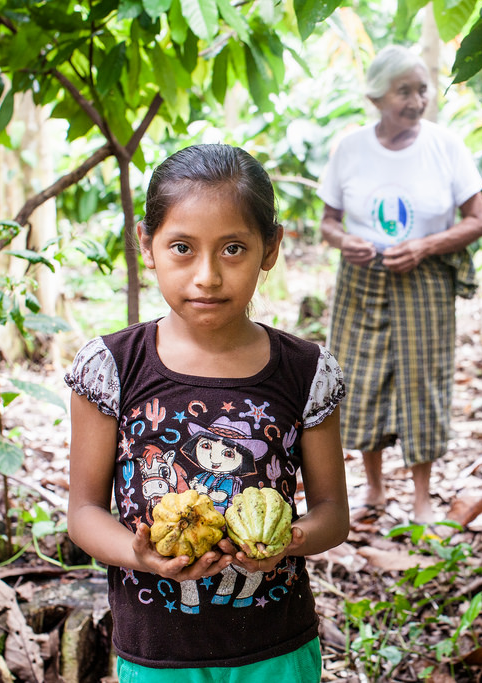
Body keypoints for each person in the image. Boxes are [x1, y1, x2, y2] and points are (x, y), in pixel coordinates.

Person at [65, 143, 349, 681]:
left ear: (271, 247)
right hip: (157, 656)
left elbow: (334, 511)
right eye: (182, 248)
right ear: (146, 246)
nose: (208, 276)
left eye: (234, 249)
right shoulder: (112, 366)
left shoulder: (306, 369)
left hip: (276, 652)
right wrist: (139, 553)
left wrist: (292, 540)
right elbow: (83, 513)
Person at [317, 45, 482, 524]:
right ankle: (373, 489)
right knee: (362, 380)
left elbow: (478, 220)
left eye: (422, 90)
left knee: (422, 382)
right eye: (404, 92)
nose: (417, 101)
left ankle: (420, 497)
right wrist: (343, 240)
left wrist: (425, 246)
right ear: (377, 97)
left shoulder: (446, 146)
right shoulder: (350, 149)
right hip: (362, 279)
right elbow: (327, 222)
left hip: (424, 277)